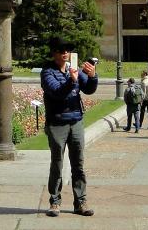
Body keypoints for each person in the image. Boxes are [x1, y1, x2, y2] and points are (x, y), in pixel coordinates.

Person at [40, 36, 98, 218]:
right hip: (57, 123)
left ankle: (80, 201)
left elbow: (88, 89)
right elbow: (56, 92)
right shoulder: (47, 72)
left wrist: (92, 75)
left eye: (68, 50)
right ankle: (55, 201)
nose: (66, 53)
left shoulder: (74, 70)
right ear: (54, 53)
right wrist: (71, 81)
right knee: (57, 163)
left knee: (78, 164)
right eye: (61, 50)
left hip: (76, 121)